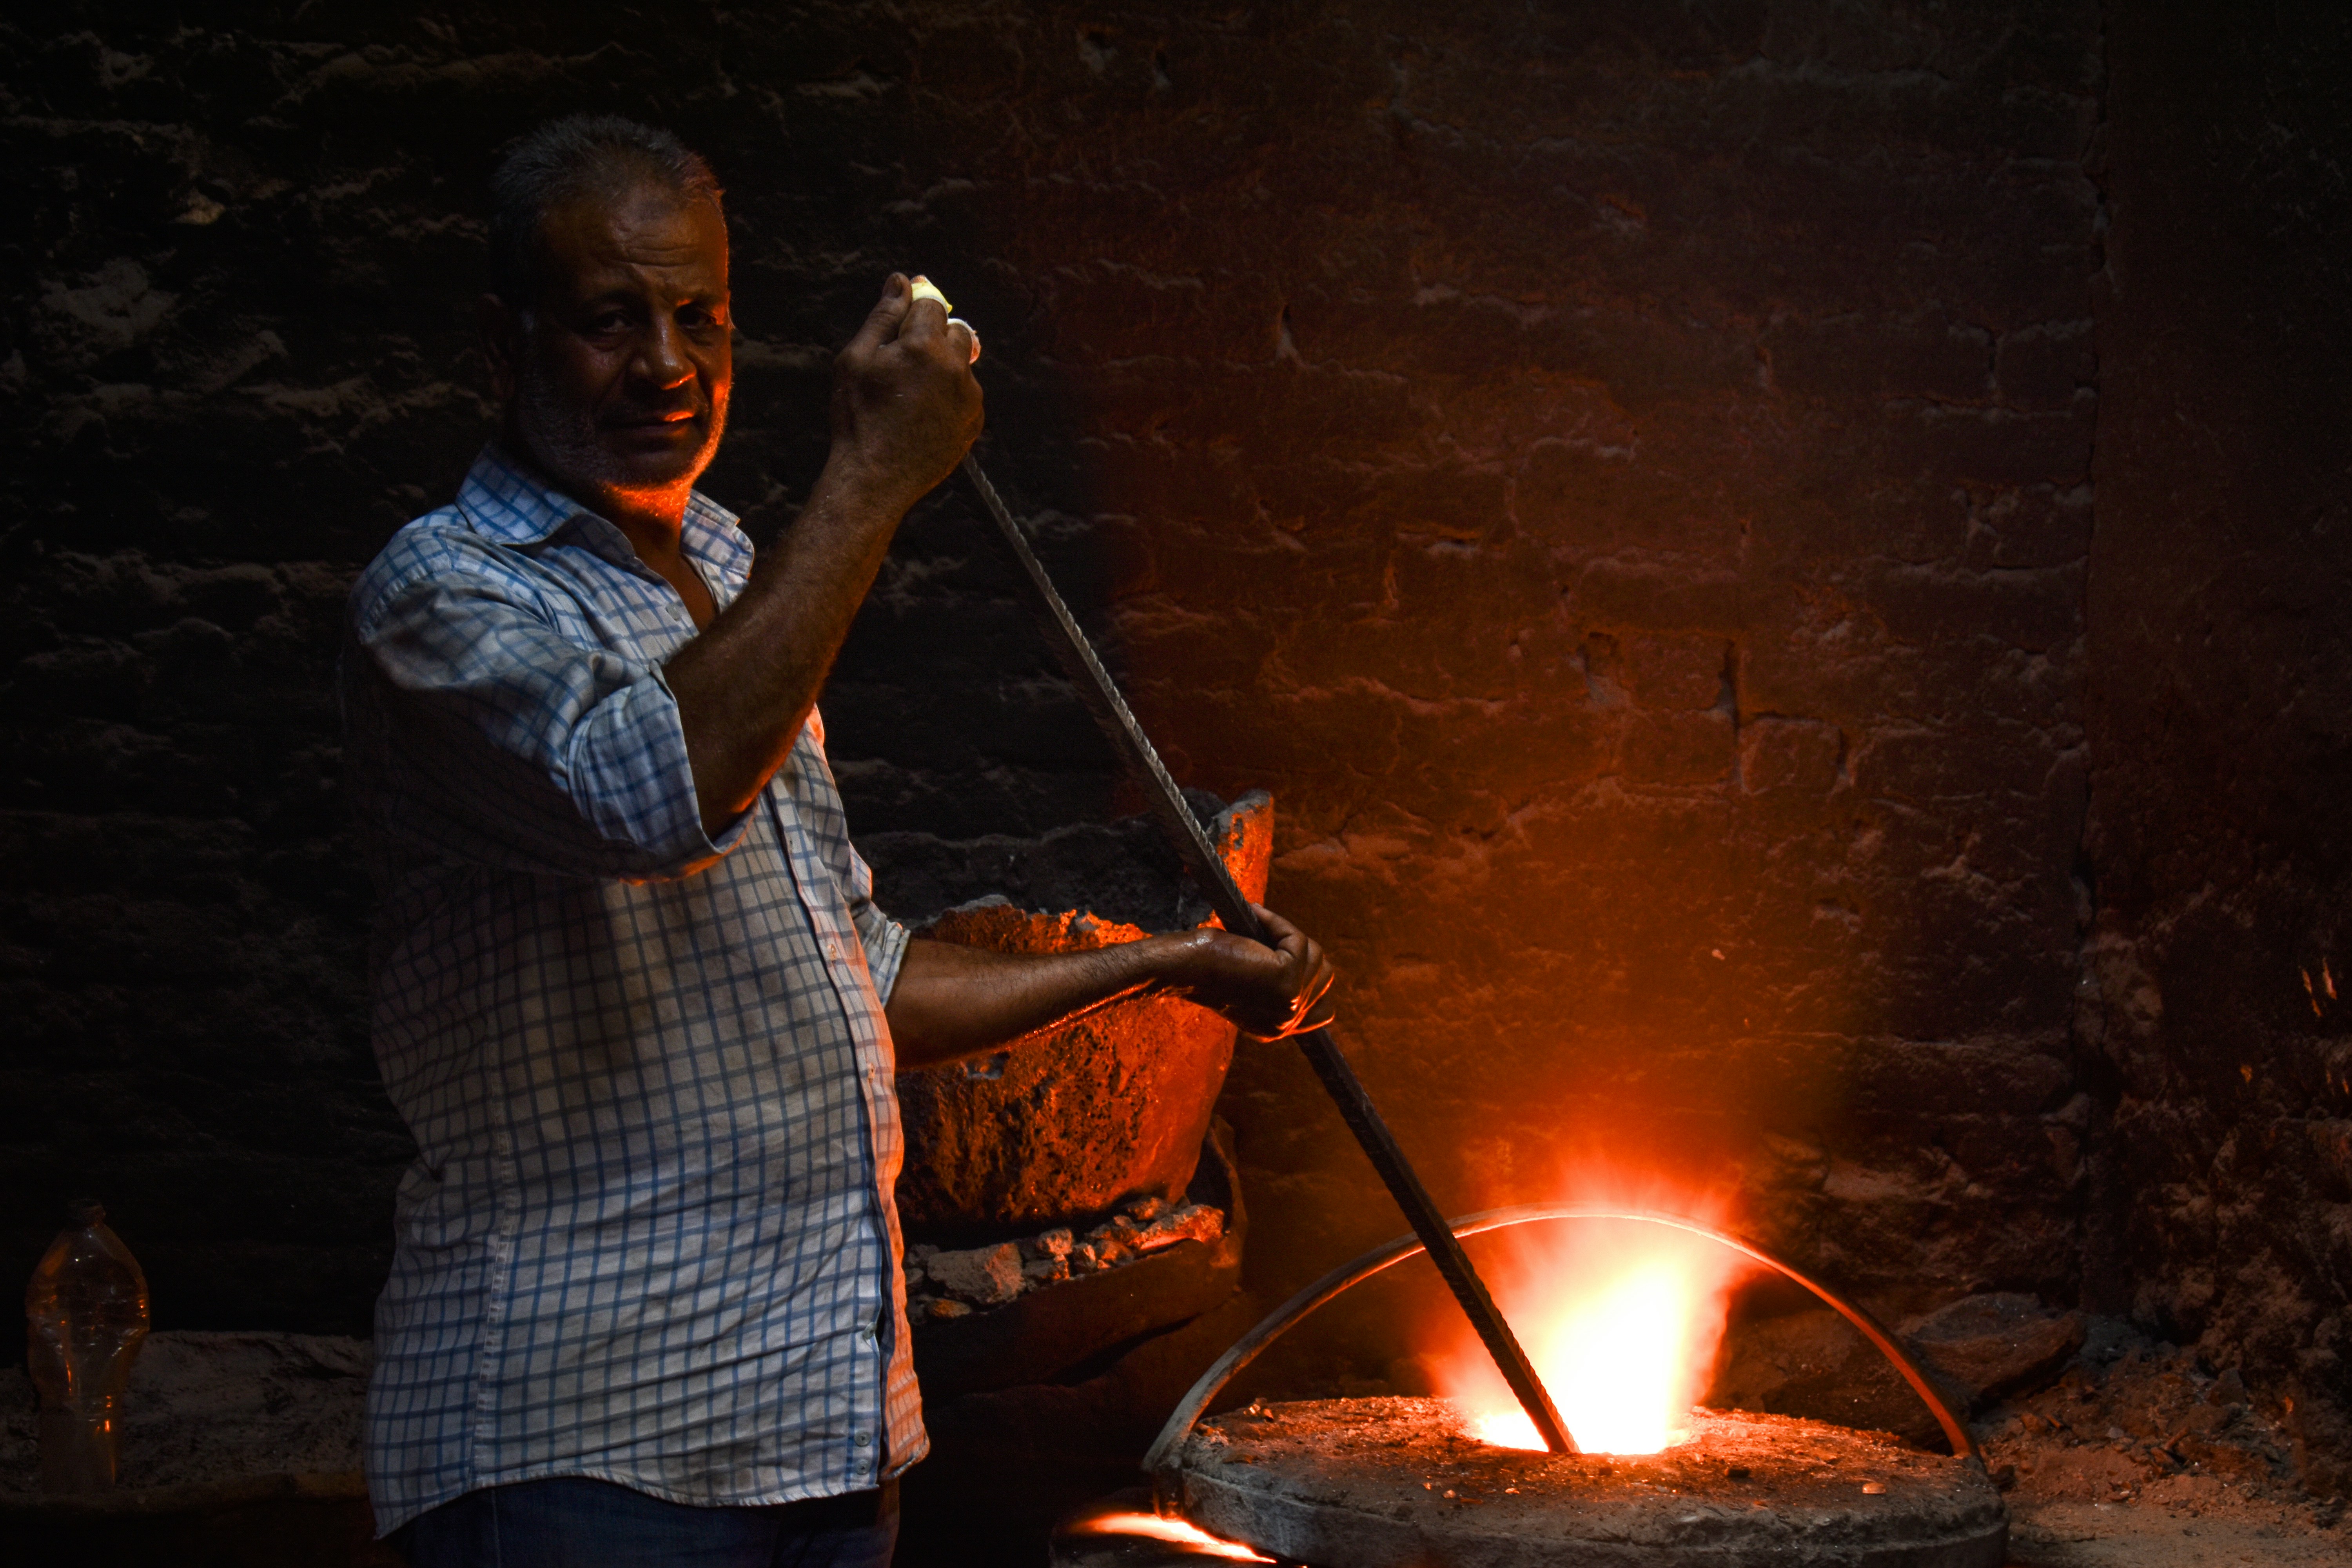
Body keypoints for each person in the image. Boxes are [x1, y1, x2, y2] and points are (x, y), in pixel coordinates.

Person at [339, 115, 1334, 1567]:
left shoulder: (737, 568)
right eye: (612, 321)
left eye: (701, 319)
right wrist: (871, 479)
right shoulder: (442, 599)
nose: (668, 368)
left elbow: (850, 978)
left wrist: (1178, 966)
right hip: (580, 1452)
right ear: (507, 342)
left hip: (817, 1433)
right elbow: (652, 793)